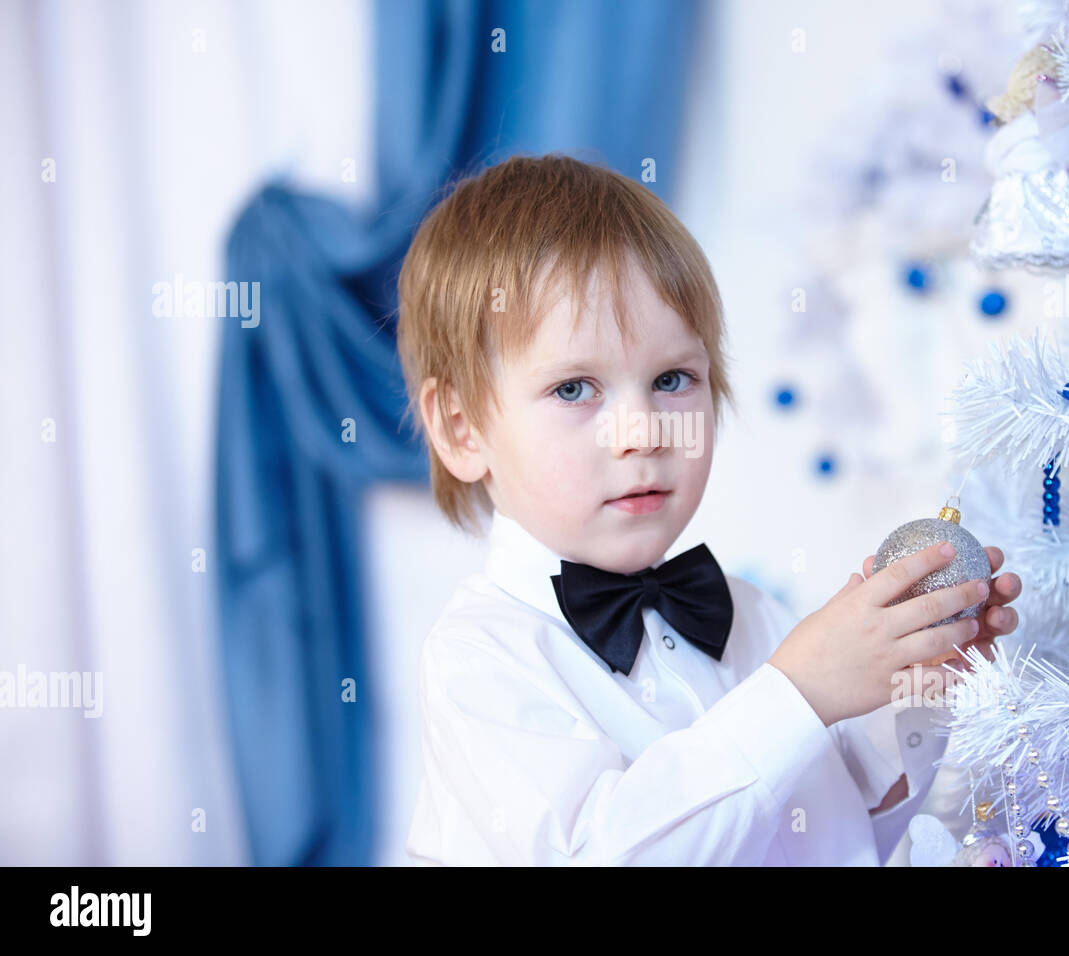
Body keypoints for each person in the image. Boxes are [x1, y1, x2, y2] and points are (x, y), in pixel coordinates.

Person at [395, 154, 1021, 865]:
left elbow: (844, 832)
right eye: (574, 389)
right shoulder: (479, 659)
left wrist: (912, 681)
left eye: (671, 379)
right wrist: (798, 693)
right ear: (460, 428)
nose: (643, 431)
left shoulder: (749, 614)